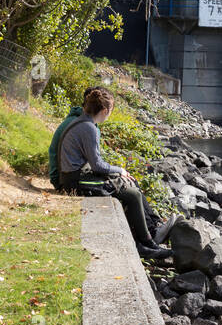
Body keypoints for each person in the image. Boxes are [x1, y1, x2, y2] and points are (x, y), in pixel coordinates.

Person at [55, 87, 173, 260]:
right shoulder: (89, 128)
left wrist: (120, 173)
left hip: (75, 175)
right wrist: (120, 170)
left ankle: (152, 231)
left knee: (130, 183)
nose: (109, 114)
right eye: (110, 111)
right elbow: (98, 166)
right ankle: (147, 243)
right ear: (104, 110)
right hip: (74, 180)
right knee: (132, 195)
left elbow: (95, 164)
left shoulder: (82, 122)